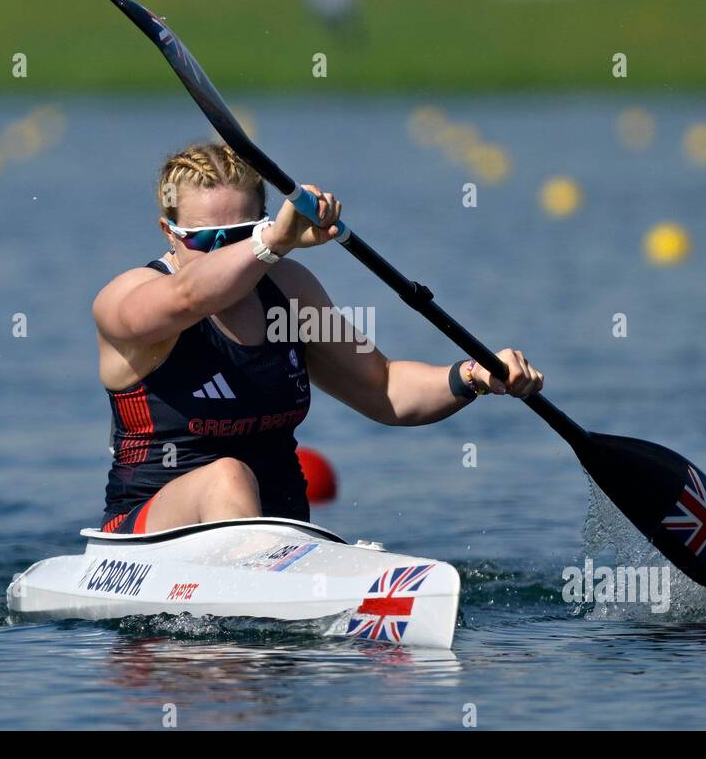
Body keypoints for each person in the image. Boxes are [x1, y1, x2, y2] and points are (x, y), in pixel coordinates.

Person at [94, 142, 542, 534]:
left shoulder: (289, 293)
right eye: (208, 240)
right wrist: (269, 243)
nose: (228, 252)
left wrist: (474, 375)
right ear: (168, 233)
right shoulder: (126, 300)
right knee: (226, 476)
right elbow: (189, 297)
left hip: (278, 541)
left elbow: (382, 389)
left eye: (240, 236)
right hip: (145, 541)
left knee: (241, 487)